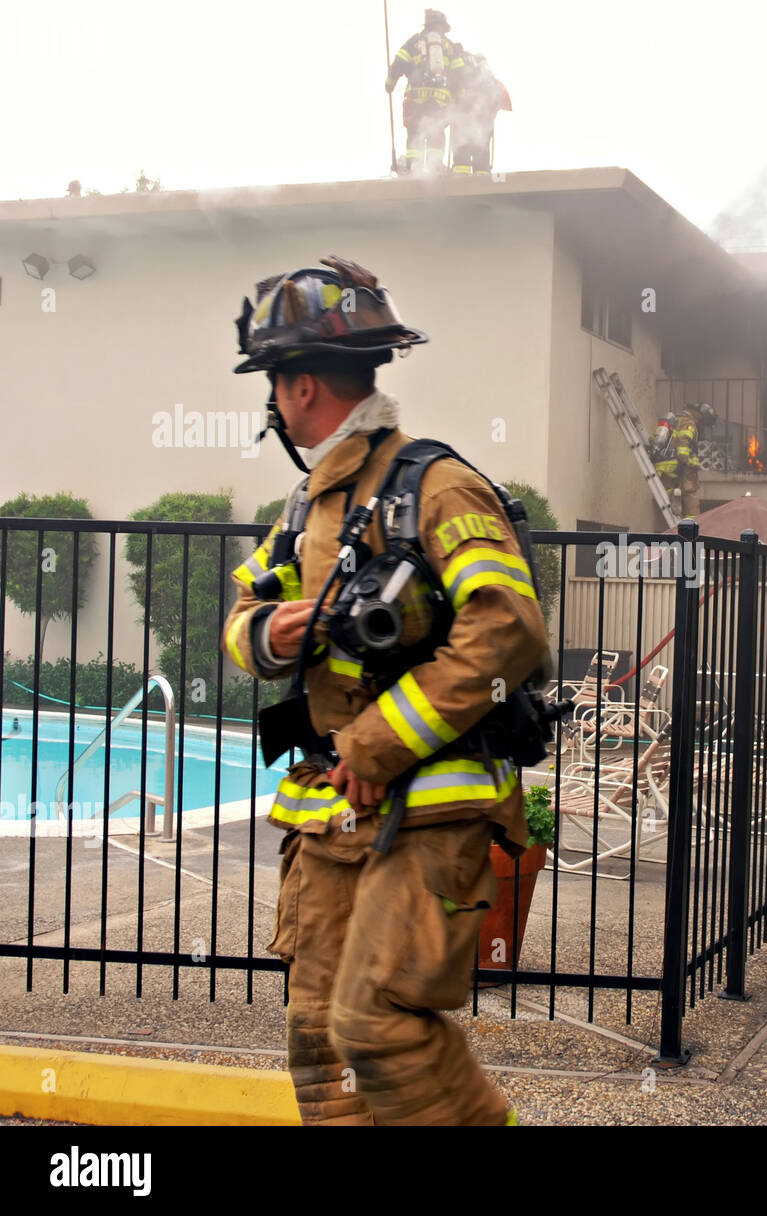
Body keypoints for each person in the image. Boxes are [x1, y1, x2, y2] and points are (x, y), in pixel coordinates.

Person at [225, 255, 547, 1125]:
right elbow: (244, 606)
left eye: (276, 384)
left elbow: (508, 629)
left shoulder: (435, 486)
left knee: (378, 1024)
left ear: (293, 389)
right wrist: (268, 631)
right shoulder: (305, 508)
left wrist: (377, 743)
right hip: (331, 814)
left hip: (432, 804)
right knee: (319, 1043)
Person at [385, 9, 467, 174]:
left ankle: (414, 168)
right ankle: (435, 167)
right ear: (441, 27)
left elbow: (399, 63)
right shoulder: (450, 46)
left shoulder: (413, 42)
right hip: (440, 100)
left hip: (415, 98)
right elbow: (459, 73)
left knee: (414, 133)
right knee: (436, 133)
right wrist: (460, 95)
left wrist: (390, 82)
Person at [450, 51, 511, 176]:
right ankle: (482, 175)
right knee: (481, 149)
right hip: (485, 122)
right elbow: (503, 101)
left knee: (462, 147)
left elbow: (450, 99)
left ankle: (461, 174)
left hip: (462, 121)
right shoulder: (492, 82)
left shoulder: (462, 82)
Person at [651, 403, 715, 518]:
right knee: (690, 494)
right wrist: (683, 462)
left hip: (663, 463)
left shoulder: (675, 420)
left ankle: (673, 497)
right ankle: (692, 523)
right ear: (700, 417)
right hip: (679, 464)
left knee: (668, 487)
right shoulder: (688, 422)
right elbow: (683, 441)